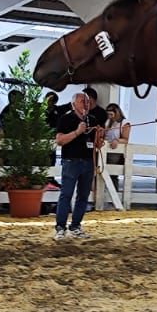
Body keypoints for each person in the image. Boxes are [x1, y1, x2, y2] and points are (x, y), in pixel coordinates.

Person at [54, 88, 105, 240]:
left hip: (88, 161)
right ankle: (60, 227)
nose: (86, 104)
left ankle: (75, 226)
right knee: (66, 194)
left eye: (87, 102)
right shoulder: (66, 119)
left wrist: (99, 137)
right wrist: (77, 132)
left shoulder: (93, 120)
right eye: (82, 101)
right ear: (73, 104)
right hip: (71, 161)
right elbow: (60, 140)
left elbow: (97, 144)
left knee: (83, 195)